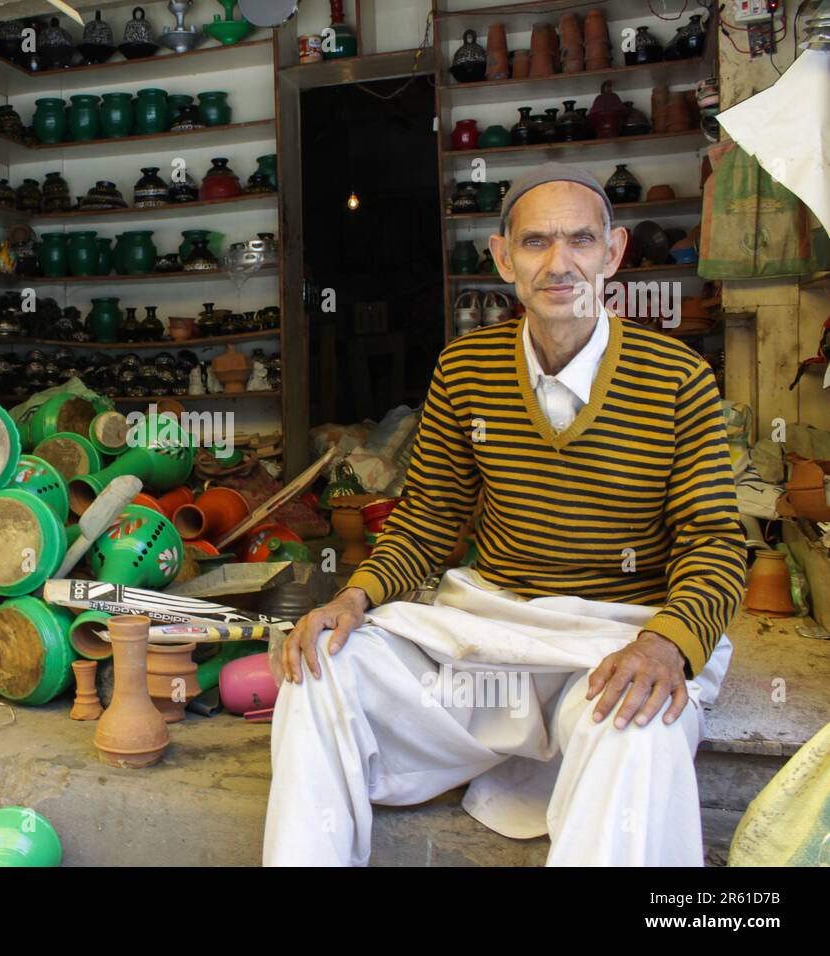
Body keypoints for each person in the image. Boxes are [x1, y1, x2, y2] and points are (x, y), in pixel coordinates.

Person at [264, 163, 745, 867]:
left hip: (616, 640)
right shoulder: (466, 369)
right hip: (493, 632)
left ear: (612, 255)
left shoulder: (678, 377)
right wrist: (354, 596)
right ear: (502, 258)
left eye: (581, 241)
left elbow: (713, 542)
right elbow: (430, 517)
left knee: (638, 724)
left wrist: (665, 646)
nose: (559, 263)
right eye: (536, 242)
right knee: (322, 666)